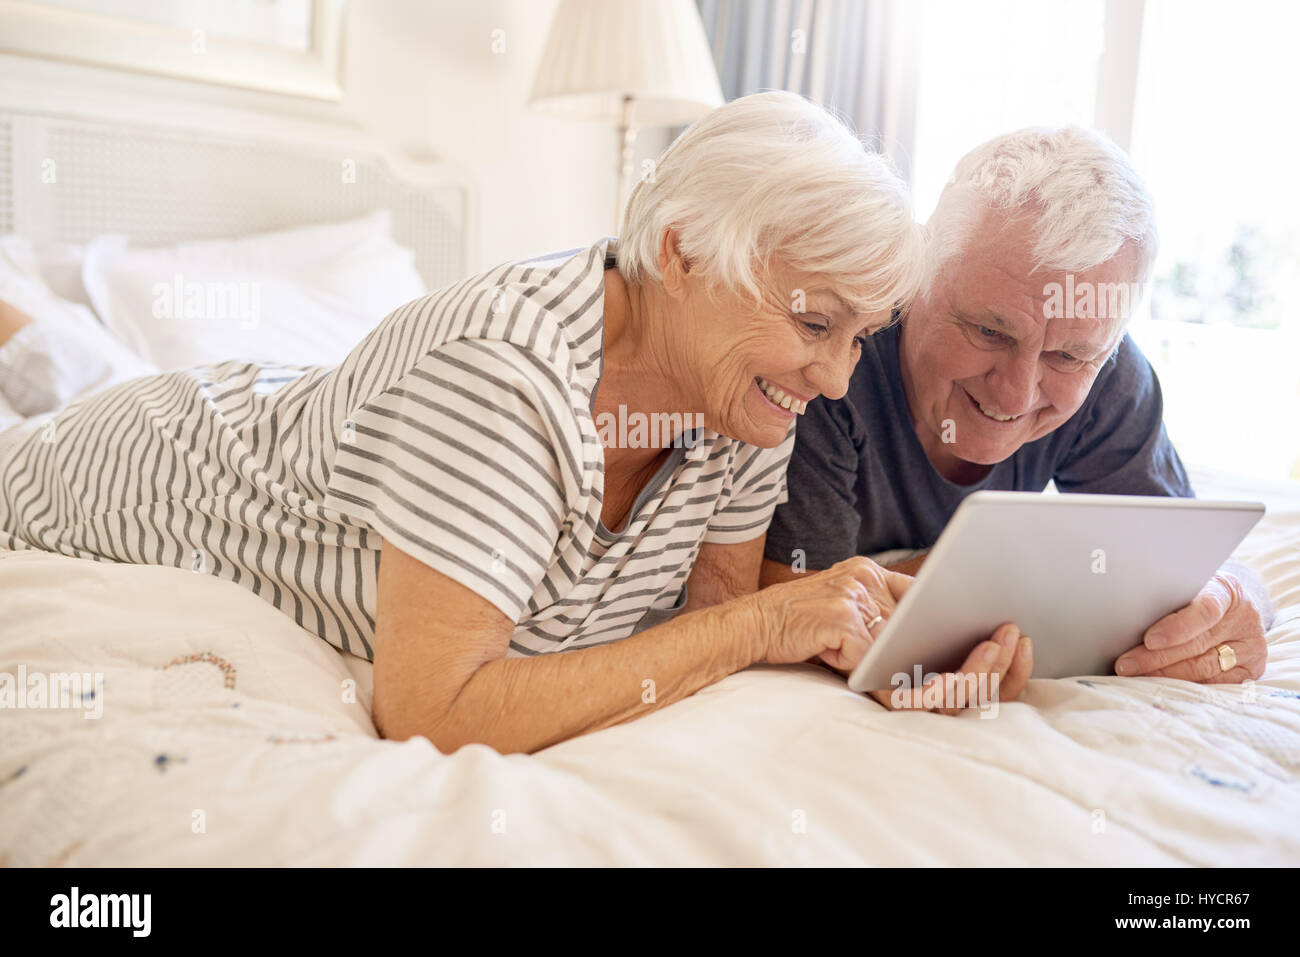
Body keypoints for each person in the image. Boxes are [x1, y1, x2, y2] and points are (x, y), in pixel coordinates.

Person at [0, 90, 945, 754]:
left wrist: (871, 631)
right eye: (815, 322)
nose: (832, 378)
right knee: (58, 384)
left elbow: (711, 623)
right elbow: (437, 711)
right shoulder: (505, 369)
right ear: (683, 253)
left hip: (286, 411)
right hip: (121, 468)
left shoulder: (747, 406)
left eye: (860, 337)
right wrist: (761, 625)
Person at [761, 125, 1274, 704]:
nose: (1014, 396)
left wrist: (1238, 595)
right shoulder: (836, 353)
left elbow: (1190, 555)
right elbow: (795, 603)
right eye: (987, 331)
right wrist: (1022, 579)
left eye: (1070, 356)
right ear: (920, 272)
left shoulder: (1111, 375)